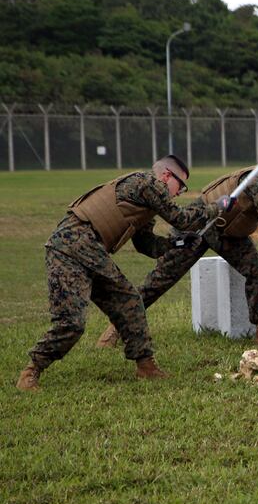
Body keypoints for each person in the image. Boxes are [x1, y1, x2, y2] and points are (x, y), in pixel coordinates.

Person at [16, 156, 219, 391]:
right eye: (180, 186)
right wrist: (216, 207)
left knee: (130, 302)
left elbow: (146, 245)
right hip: (69, 249)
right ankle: (31, 371)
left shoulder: (144, 200)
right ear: (166, 176)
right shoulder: (148, 184)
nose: (179, 193)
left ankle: (146, 366)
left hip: (91, 252)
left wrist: (177, 244)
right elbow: (180, 218)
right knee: (71, 323)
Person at [96, 149, 258, 348]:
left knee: (257, 270)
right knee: (160, 280)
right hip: (201, 224)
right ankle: (116, 327)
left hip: (230, 235)